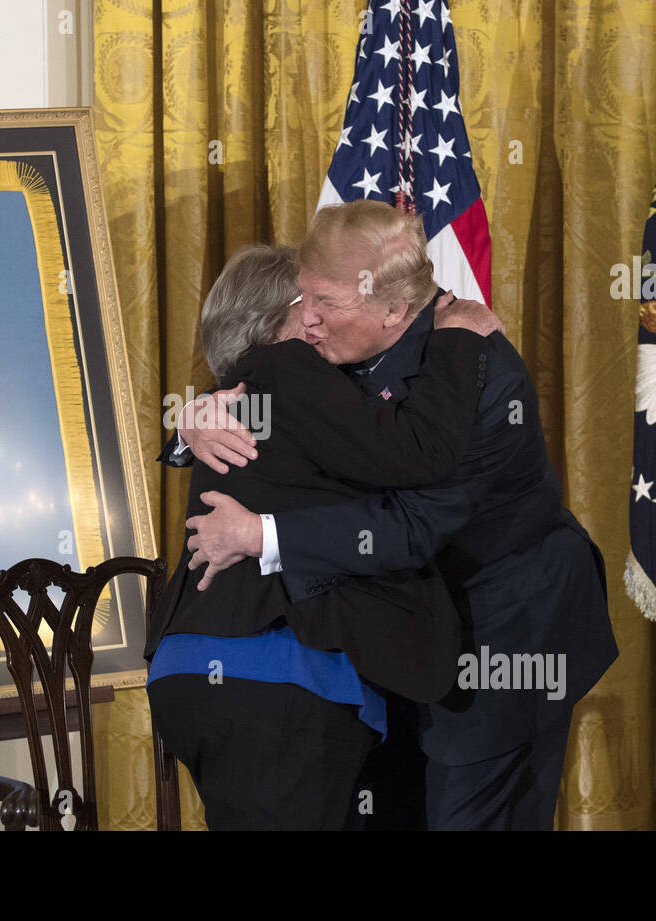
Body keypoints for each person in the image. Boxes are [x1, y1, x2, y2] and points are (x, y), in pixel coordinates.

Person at [175, 200, 619, 830]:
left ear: (391, 309)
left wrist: (259, 534)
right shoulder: (337, 353)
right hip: (399, 640)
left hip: (502, 634)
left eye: (326, 304)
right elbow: (282, 413)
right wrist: (195, 417)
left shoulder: (477, 373)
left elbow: (408, 527)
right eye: (305, 300)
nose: (308, 322)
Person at [145, 241, 493, 830]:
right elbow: (417, 454)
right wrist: (460, 336)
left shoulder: (237, 397)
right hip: (274, 676)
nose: (322, 316)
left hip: (200, 669)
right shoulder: (286, 369)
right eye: (314, 300)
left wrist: (187, 421)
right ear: (282, 315)